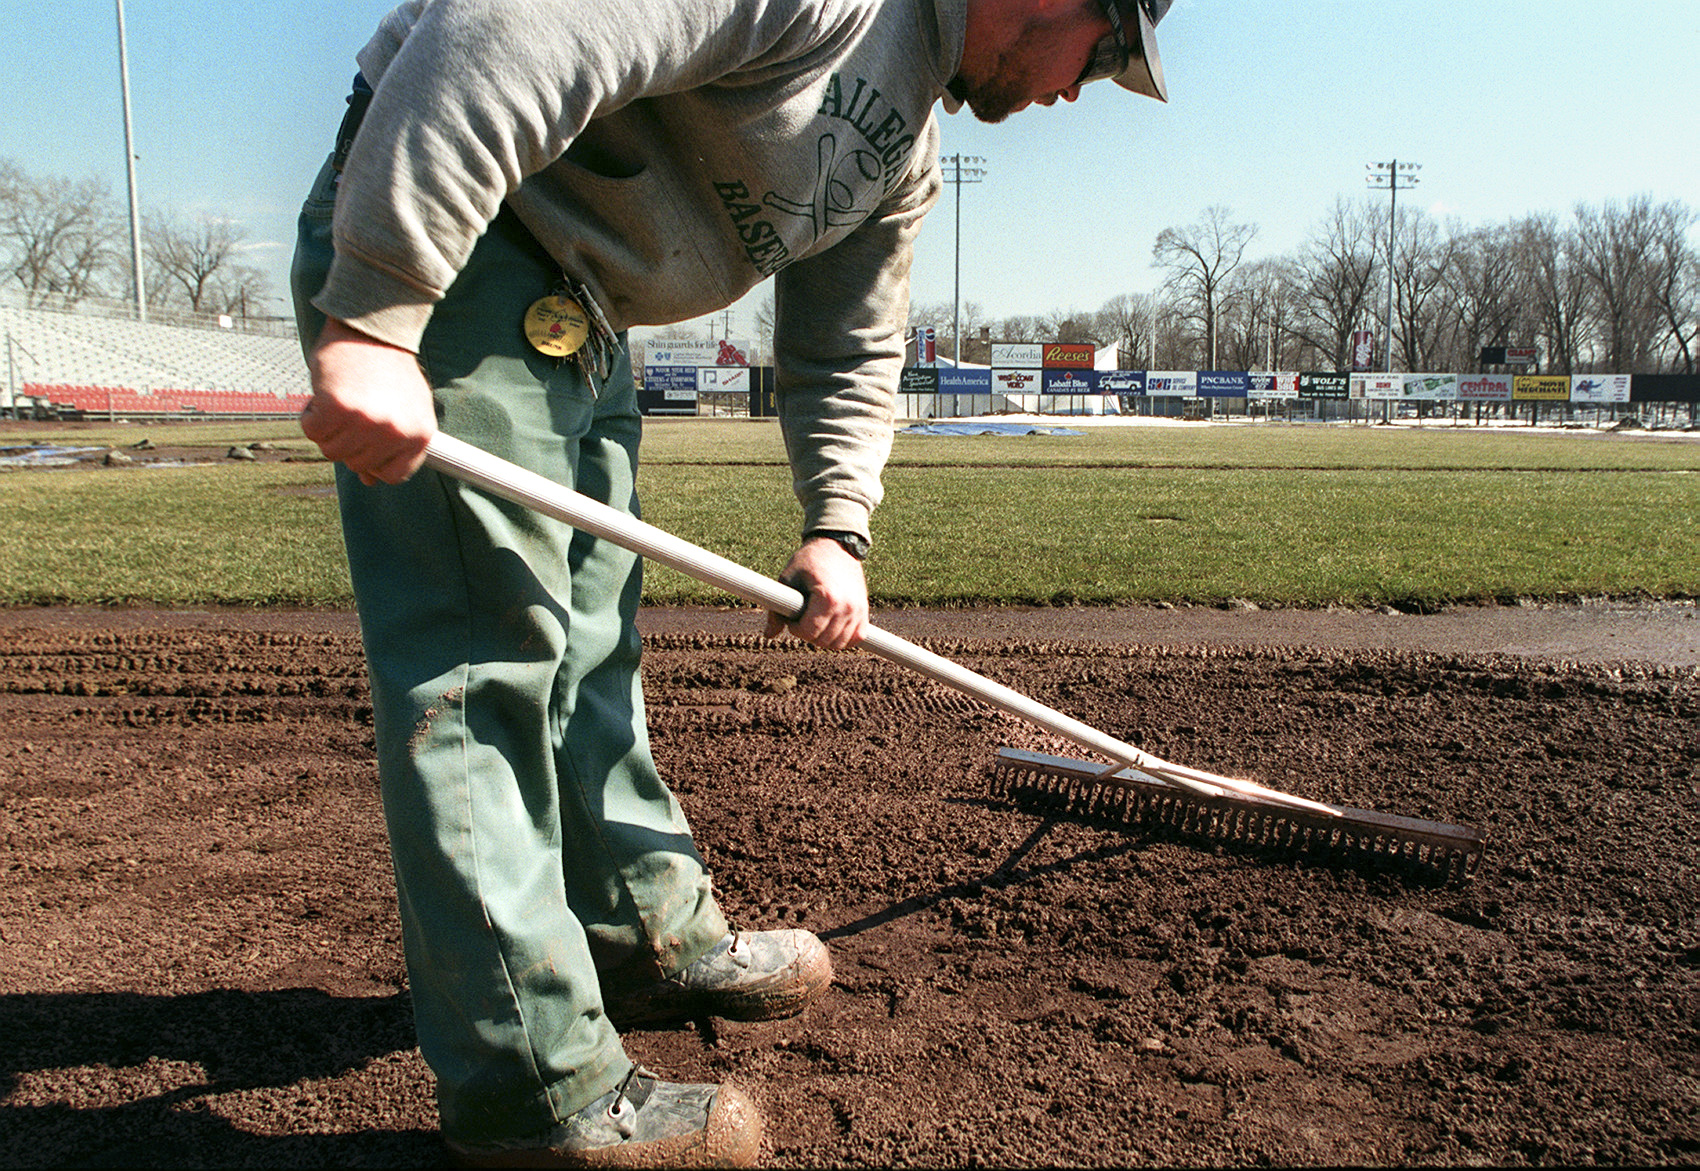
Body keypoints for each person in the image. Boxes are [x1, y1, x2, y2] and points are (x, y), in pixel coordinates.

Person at [290, 0, 1172, 1164]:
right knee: (481, 666)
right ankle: (533, 1091)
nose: (1075, 89)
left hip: (585, 309)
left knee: (591, 648)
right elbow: (513, 27)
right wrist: (377, 309)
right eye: (1103, 53)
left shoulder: (901, 146)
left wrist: (836, 530)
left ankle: (642, 935)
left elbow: (849, 339)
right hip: (470, 260)